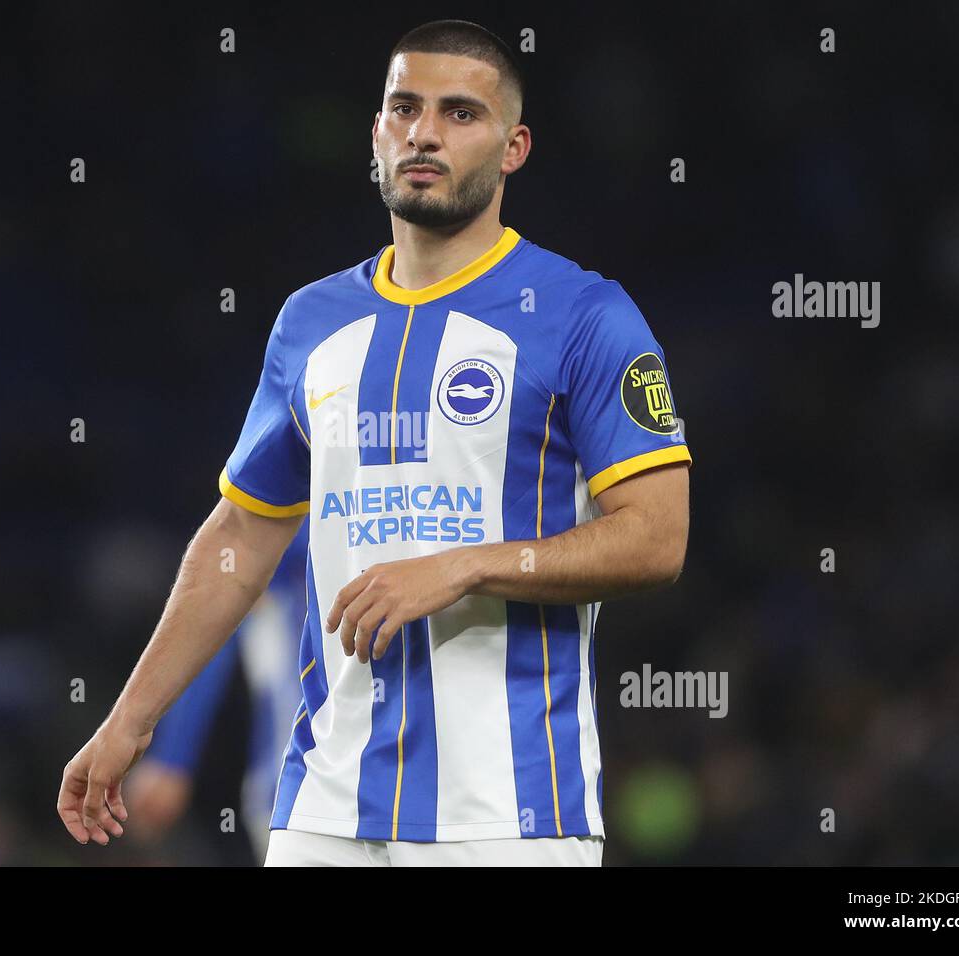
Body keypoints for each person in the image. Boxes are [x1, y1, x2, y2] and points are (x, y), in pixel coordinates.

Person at [58, 18, 692, 866]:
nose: (425, 133)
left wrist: (467, 563)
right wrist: (129, 722)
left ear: (515, 148)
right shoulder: (310, 323)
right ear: (377, 133)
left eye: (462, 114)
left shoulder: (586, 315)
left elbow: (657, 537)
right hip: (321, 807)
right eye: (405, 108)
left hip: (508, 814)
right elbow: (241, 538)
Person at [126, 525, 307, 861]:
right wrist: (172, 755)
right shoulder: (298, 492)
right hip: (296, 784)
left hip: (391, 777)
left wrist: (172, 758)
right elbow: (219, 611)